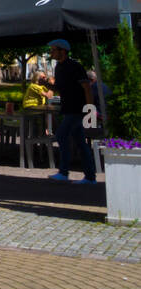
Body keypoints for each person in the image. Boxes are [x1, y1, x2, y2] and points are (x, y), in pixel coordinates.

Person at [47, 39, 97, 183]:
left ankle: (64, 172)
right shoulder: (58, 67)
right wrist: (46, 84)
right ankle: (90, 176)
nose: (51, 53)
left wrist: (90, 109)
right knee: (80, 142)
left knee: (61, 136)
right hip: (68, 108)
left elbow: (86, 88)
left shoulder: (75, 66)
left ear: (62, 51)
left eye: (53, 50)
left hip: (77, 109)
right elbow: (59, 89)